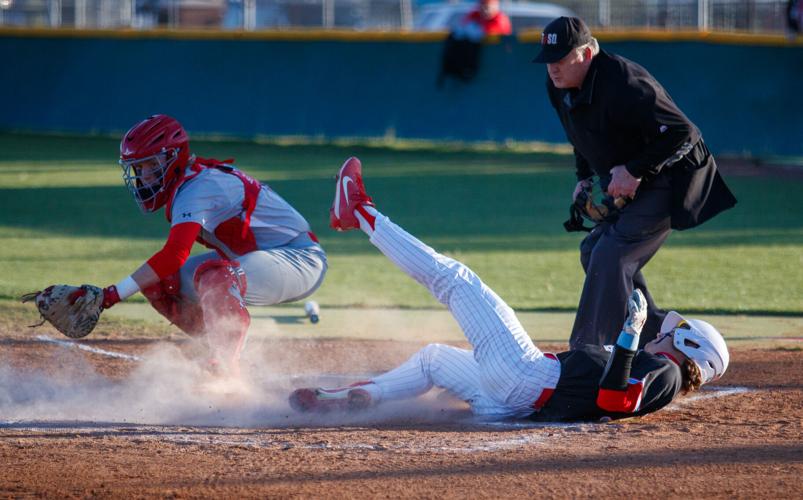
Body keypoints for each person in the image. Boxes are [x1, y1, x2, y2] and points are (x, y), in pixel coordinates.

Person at [288, 158, 728, 422]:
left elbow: (615, 400)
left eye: (673, 331)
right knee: (434, 359)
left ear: (689, 344)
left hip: (526, 376)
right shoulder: (663, 375)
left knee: (455, 279)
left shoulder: (666, 374)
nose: (662, 329)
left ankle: (360, 214)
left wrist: (630, 338)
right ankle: (349, 399)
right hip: (514, 399)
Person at [532, 17, 737, 349]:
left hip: (673, 177)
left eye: (560, 59)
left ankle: (586, 352)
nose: (552, 68)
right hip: (635, 178)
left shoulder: (624, 81)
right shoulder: (558, 87)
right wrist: (583, 178)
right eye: (547, 60)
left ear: (584, 54)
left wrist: (634, 170)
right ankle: (658, 334)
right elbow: (579, 135)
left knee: (611, 255)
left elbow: (684, 132)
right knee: (593, 250)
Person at [94, 114, 327, 376]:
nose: (145, 176)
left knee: (216, 276)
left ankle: (225, 365)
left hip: (300, 259)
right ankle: (221, 350)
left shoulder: (199, 187)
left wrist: (109, 295)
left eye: (151, 164)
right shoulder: (191, 184)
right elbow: (168, 265)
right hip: (264, 261)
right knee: (158, 281)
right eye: (140, 167)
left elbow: (175, 254)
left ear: (174, 157)